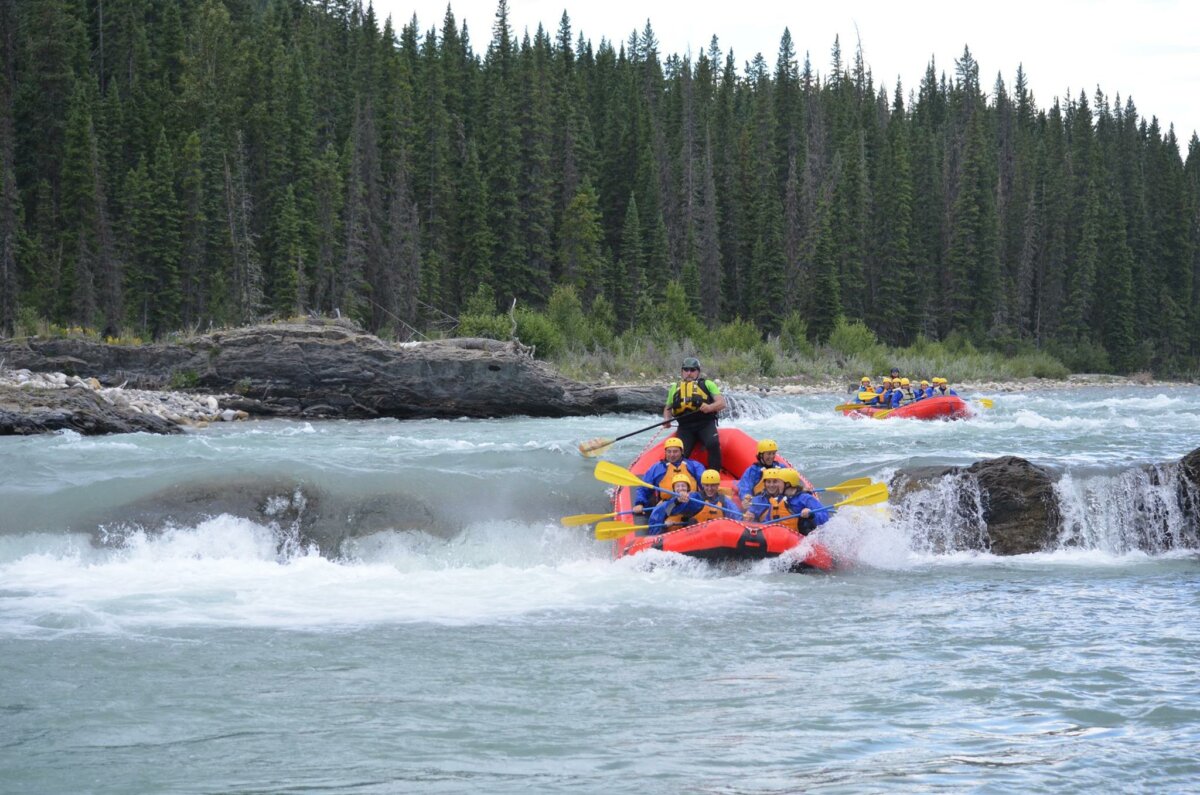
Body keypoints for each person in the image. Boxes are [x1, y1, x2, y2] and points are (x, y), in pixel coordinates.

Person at [663, 357, 727, 473]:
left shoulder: (707, 384)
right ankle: (676, 476)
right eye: (686, 370)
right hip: (685, 427)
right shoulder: (675, 388)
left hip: (705, 424)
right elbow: (668, 408)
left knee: (713, 444)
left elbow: (722, 403)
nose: (689, 373)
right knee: (678, 451)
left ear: (698, 372)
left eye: (692, 370)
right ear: (682, 371)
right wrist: (666, 419)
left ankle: (714, 474)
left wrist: (710, 407)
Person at [633, 436, 706, 518]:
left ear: (682, 452)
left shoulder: (694, 466)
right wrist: (640, 503)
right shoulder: (657, 468)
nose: (672, 455)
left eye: (675, 451)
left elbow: (706, 485)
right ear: (665, 452)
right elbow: (644, 487)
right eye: (669, 451)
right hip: (668, 506)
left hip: (691, 503)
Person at [745, 469, 829, 535]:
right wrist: (753, 521)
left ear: (787, 484)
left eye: (778, 482)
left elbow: (824, 516)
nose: (776, 485)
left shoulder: (805, 498)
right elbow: (767, 522)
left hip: (800, 538)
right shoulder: (778, 500)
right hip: (780, 538)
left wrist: (811, 514)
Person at [738, 439, 796, 510]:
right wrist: (746, 498)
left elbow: (793, 482)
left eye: (773, 453)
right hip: (761, 502)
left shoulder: (781, 467)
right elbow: (745, 487)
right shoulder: (752, 470)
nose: (771, 456)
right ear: (761, 455)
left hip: (780, 500)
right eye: (769, 454)